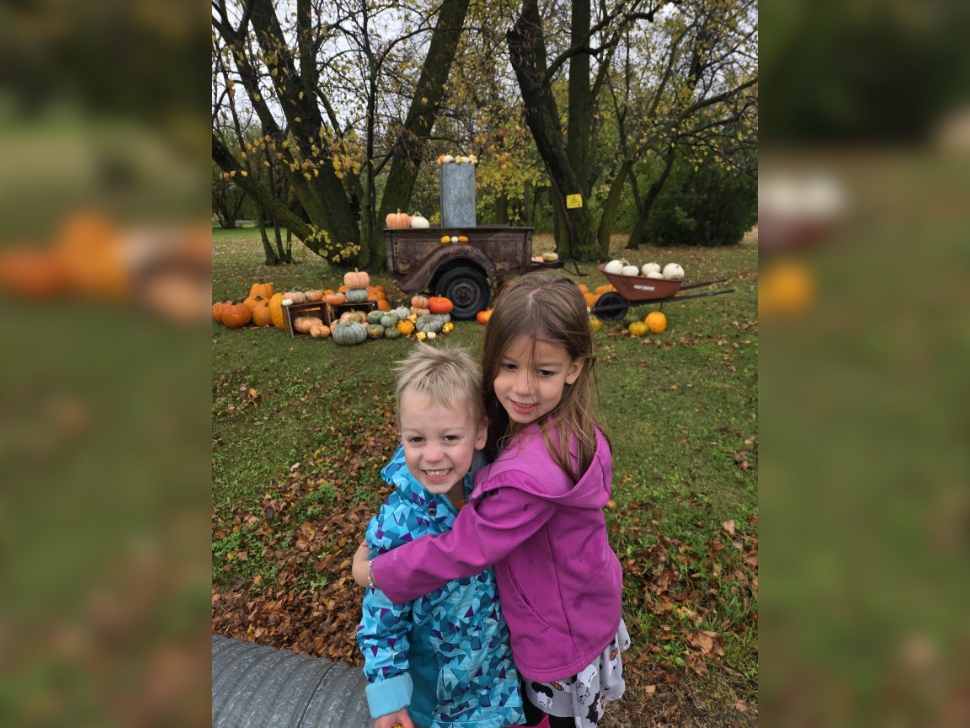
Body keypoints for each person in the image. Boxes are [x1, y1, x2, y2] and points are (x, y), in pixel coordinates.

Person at [354, 271, 629, 728]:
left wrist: (376, 572)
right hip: (576, 612)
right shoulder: (567, 428)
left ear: (575, 368)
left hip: (555, 639)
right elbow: (382, 623)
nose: (522, 388)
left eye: (543, 372)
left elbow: (465, 547)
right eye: (509, 367)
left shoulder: (528, 474)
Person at [356, 344, 524, 728]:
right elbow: (382, 617)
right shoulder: (398, 523)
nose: (432, 456)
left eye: (449, 438)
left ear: (479, 433)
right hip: (437, 699)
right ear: (401, 435)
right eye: (417, 440)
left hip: (497, 680)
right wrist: (389, 693)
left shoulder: (492, 491)